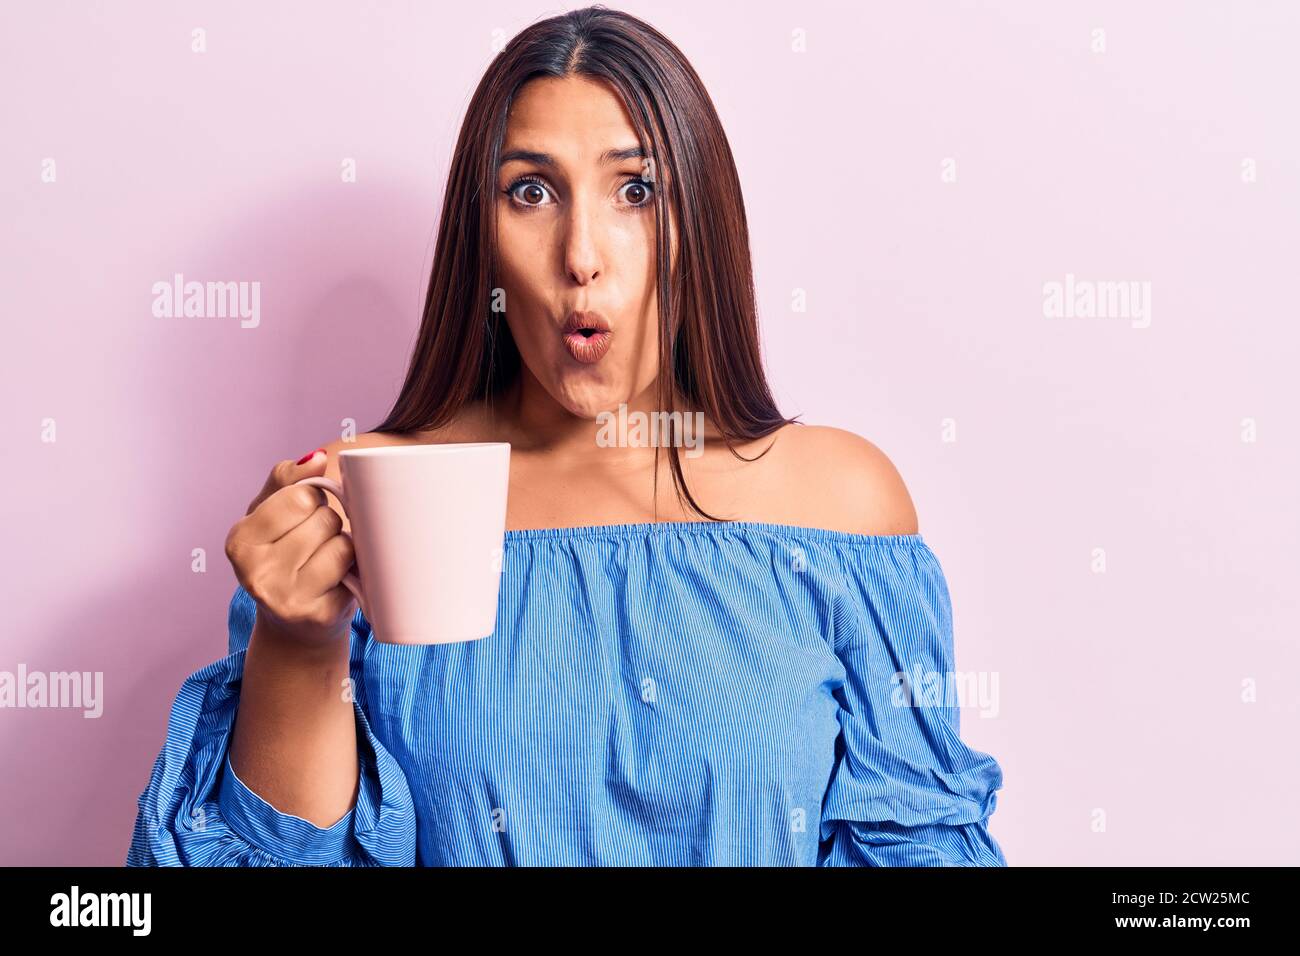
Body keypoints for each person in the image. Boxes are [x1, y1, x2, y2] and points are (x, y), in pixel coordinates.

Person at [127, 6, 1007, 867]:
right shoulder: (371, 505)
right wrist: (298, 641)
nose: (581, 253)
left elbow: (918, 848)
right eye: (531, 191)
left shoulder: (841, 506)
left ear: (702, 223)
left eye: (637, 189)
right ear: (484, 235)